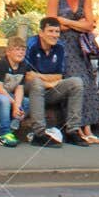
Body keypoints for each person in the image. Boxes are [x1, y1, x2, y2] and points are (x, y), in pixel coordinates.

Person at [47, 0, 99, 144]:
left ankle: (88, 128)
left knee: (87, 81)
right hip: (61, 44)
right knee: (73, 81)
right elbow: (51, 22)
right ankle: (76, 127)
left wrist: (66, 22)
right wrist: (75, 23)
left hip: (80, 45)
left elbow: (89, 24)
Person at [23, 17, 82, 147]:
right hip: (29, 90)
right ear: (41, 32)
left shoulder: (60, 46)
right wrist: (48, 81)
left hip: (49, 91)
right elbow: (28, 75)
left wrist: (42, 79)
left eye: (57, 31)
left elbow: (59, 76)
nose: (55, 35)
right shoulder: (31, 45)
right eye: (51, 31)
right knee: (36, 84)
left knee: (76, 82)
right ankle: (39, 134)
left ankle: (72, 131)